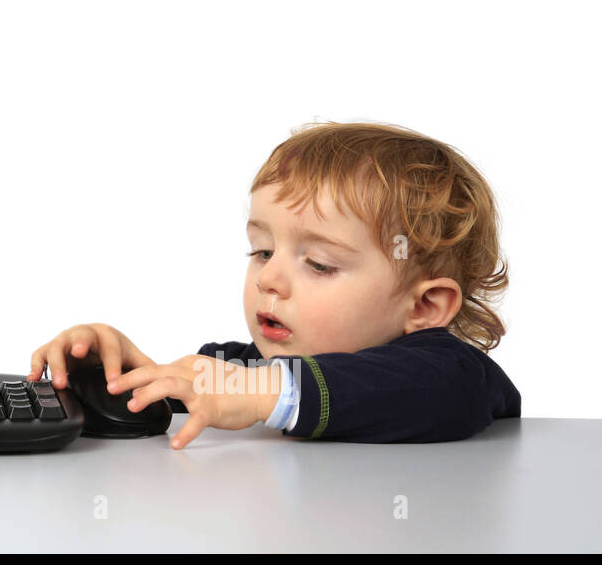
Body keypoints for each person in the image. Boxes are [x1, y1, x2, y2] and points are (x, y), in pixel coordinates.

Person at [26, 120, 522, 449]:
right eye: (262, 251)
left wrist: (257, 390)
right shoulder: (245, 365)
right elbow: (203, 396)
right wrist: (115, 381)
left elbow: (438, 394)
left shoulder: (451, 371)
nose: (268, 277)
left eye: (321, 264)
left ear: (426, 305)